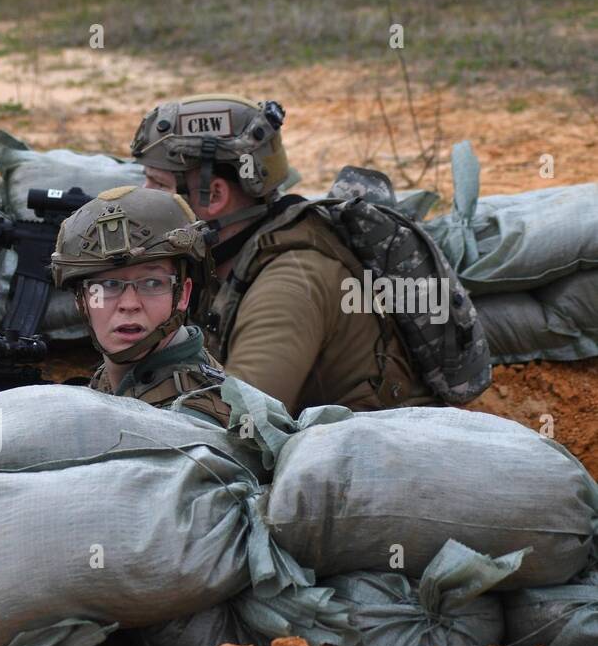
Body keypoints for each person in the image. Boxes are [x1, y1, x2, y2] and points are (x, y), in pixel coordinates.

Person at [130, 93, 438, 414]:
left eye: (159, 185)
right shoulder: (223, 256)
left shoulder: (288, 285)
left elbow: (240, 420)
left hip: (371, 450)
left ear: (214, 195)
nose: (144, 197)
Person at [50, 185, 230, 427]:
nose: (129, 304)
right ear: (81, 300)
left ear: (183, 294)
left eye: (152, 283)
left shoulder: (189, 419)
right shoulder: (115, 378)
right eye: (108, 284)